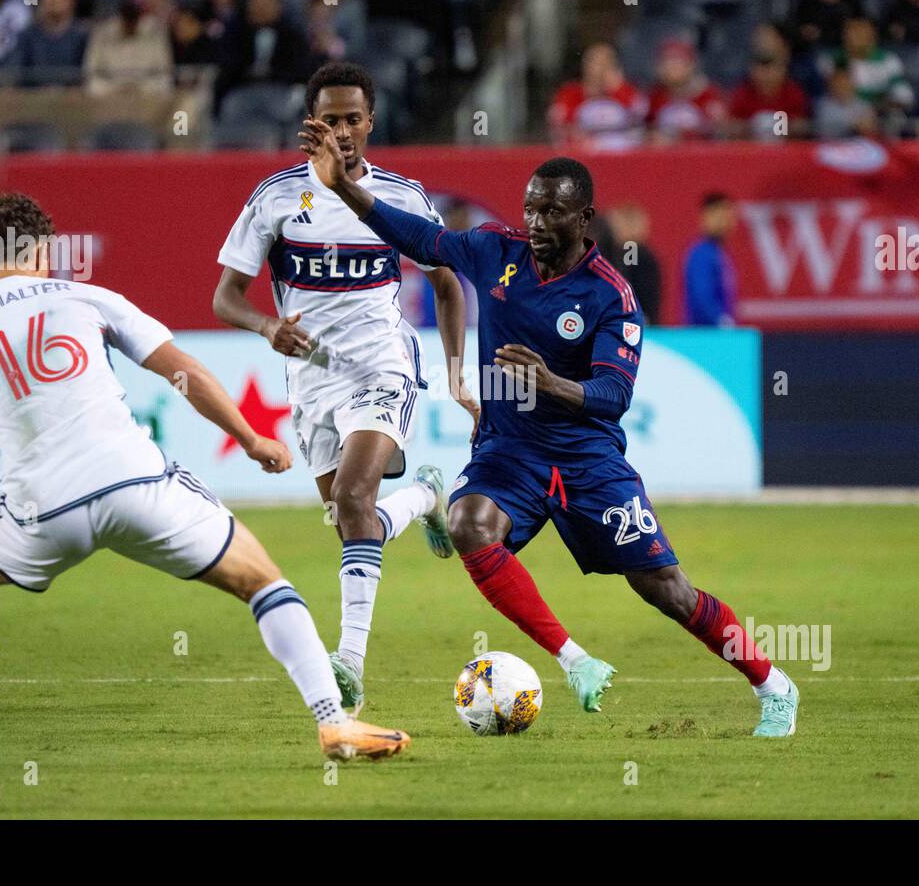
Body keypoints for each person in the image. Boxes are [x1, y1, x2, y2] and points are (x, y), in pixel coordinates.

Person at [0, 192, 409, 768]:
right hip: (137, 486)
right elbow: (181, 370)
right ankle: (334, 724)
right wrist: (251, 438)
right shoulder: (87, 296)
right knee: (262, 582)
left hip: (40, 511)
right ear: (44, 251)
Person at [300, 123, 801, 736]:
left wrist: (549, 382)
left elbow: (613, 396)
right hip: (510, 452)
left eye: (551, 211)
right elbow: (419, 238)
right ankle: (574, 658)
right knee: (469, 524)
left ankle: (773, 685)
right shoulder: (494, 251)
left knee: (668, 591)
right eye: (530, 208)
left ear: (584, 218)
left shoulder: (611, 297)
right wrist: (345, 186)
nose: (535, 222)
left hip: (587, 462)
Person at [212, 62, 477, 715]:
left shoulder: (401, 198)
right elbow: (224, 298)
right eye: (329, 118)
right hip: (310, 381)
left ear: (371, 121)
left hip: (383, 366)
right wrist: (265, 325)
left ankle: (348, 668)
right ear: (311, 124)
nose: (342, 130)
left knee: (356, 497)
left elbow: (445, 281)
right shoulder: (274, 198)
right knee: (353, 521)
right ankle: (423, 497)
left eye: (353, 117)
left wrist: (452, 371)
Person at [547, 42, 648, 150]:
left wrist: (617, 90)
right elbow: (559, 126)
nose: (602, 68)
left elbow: (641, 117)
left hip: (622, 156)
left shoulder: (626, 91)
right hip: (583, 154)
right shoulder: (569, 93)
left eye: (608, 62)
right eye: (597, 62)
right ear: (585, 64)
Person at [14, 0, 88, 86]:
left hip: (73, 97)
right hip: (33, 97)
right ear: (40, 2)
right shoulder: (27, 36)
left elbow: (86, 76)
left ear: (71, 2)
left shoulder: (82, 36)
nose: (54, 1)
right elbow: (18, 74)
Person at [684, 193, 739, 326]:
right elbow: (701, 297)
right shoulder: (701, 254)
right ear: (705, 218)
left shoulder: (721, 253)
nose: (725, 222)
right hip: (704, 337)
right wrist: (721, 321)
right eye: (719, 216)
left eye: (728, 216)